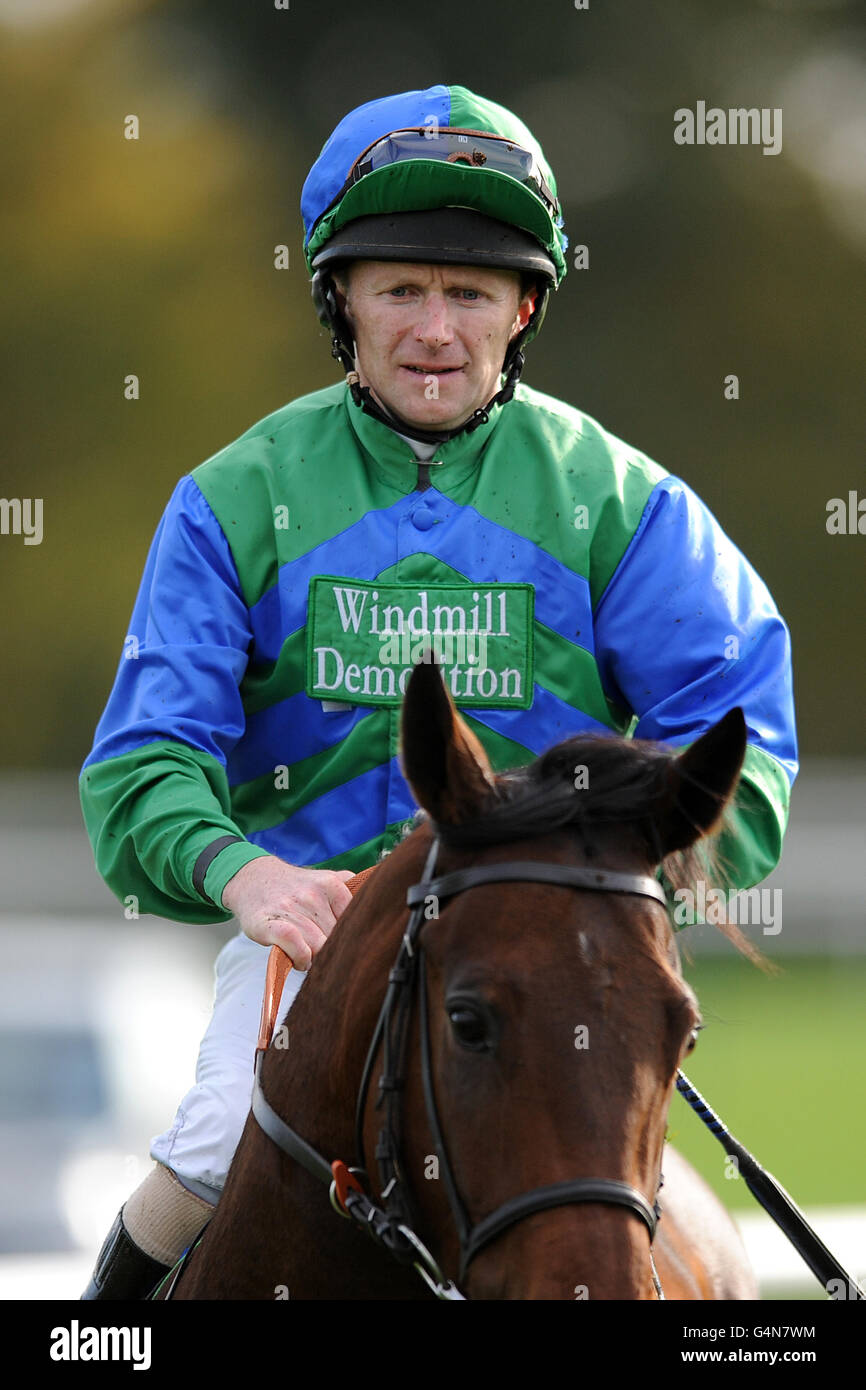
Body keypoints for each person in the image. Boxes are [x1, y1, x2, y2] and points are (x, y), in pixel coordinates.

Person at [79, 84, 798, 1299]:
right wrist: (244, 876)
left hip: (540, 946)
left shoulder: (626, 504)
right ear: (340, 302)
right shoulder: (230, 500)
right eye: (399, 288)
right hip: (310, 942)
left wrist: (625, 872)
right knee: (205, 1153)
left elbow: (740, 735)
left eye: (468, 294)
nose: (434, 329)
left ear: (522, 309)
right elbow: (143, 761)